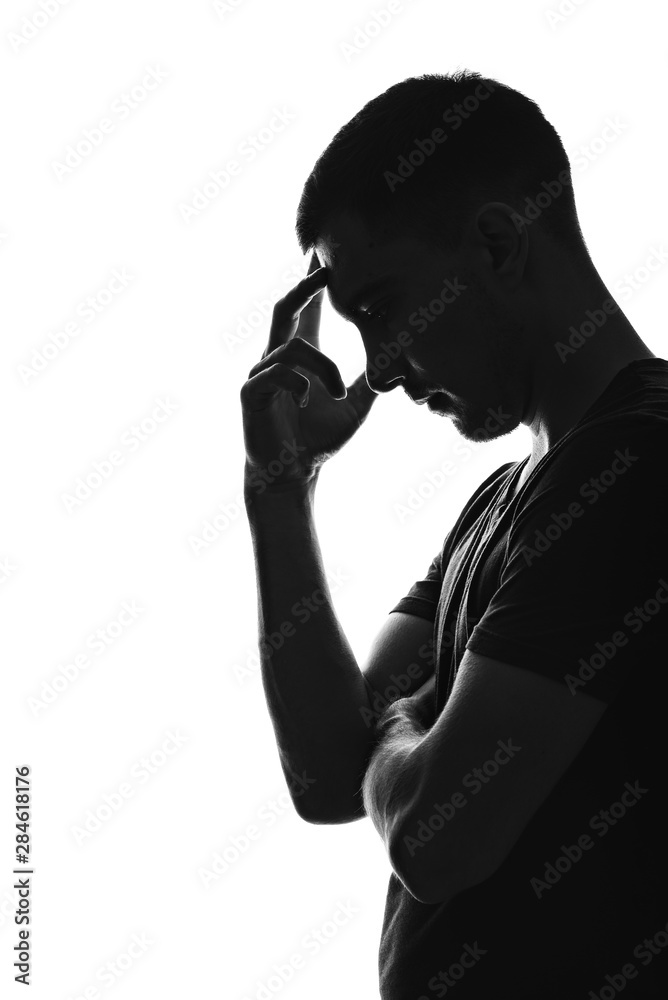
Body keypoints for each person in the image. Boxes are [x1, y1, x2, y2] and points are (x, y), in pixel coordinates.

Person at [240, 70, 668, 998]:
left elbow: (434, 837)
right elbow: (327, 776)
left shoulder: (636, 465)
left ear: (497, 241)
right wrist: (281, 490)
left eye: (384, 310)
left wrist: (399, 727)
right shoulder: (501, 504)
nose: (380, 370)